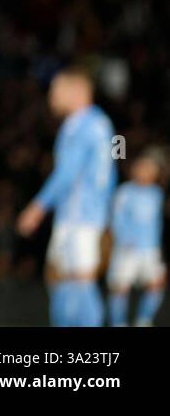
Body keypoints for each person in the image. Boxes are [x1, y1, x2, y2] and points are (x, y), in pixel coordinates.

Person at [17, 66, 116, 327]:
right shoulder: (101, 123)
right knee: (64, 279)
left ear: (76, 92)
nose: (52, 97)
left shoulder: (80, 125)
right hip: (90, 214)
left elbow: (67, 172)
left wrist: (37, 207)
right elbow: (109, 175)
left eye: (56, 91)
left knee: (77, 280)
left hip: (77, 215)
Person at [106, 149, 165, 326]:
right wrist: (124, 239)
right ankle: (118, 323)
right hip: (127, 249)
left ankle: (143, 320)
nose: (144, 172)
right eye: (141, 167)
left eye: (149, 168)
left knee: (156, 284)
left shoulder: (156, 194)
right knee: (120, 288)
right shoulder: (124, 192)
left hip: (150, 250)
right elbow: (116, 220)